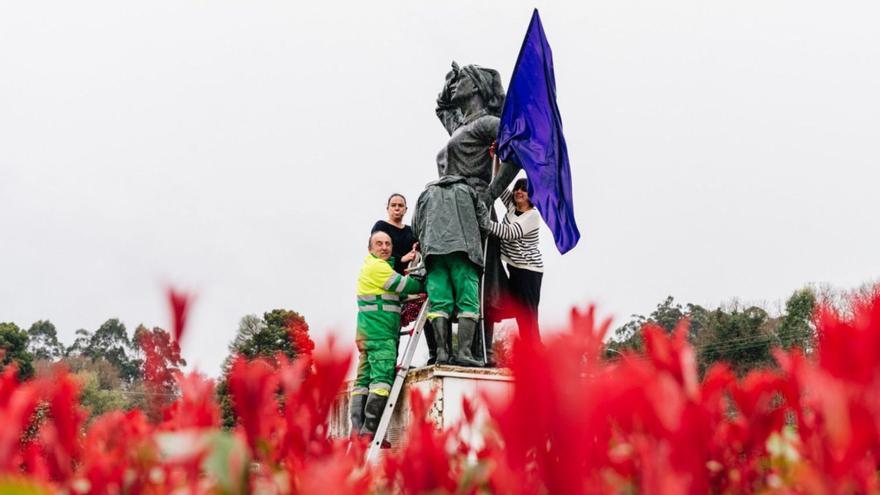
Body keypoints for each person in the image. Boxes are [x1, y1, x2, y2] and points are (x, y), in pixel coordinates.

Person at [351, 231, 423, 437]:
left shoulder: (370, 266)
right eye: (379, 244)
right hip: (381, 335)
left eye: (388, 244)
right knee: (381, 382)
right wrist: (422, 283)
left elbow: (392, 293)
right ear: (370, 248)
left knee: (363, 381)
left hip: (367, 334)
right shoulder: (378, 267)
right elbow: (403, 285)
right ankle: (369, 432)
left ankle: (357, 431)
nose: (384, 247)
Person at [370, 194, 442, 366]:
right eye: (393, 205)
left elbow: (421, 247)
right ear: (387, 208)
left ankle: (435, 353)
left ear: (406, 209)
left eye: (400, 205)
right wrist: (401, 258)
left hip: (409, 279)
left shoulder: (410, 231)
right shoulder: (381, 227)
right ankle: (391, 361)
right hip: (388, 279)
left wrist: (416, 254)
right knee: (392, 321)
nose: (397, 208)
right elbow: (377, 251)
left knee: (425, 309)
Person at [482, 178, 544, 343]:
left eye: (524, 189)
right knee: (518, 313)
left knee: (527, 317)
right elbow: (499, 184)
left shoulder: (533, 215)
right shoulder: (511, 206)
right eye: (517, 188)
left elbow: (509, 232)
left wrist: (484, 222)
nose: (519, 192)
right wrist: (495, 157)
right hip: (514, 269)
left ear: (531, 195)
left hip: (529, 271)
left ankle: (535, 354)